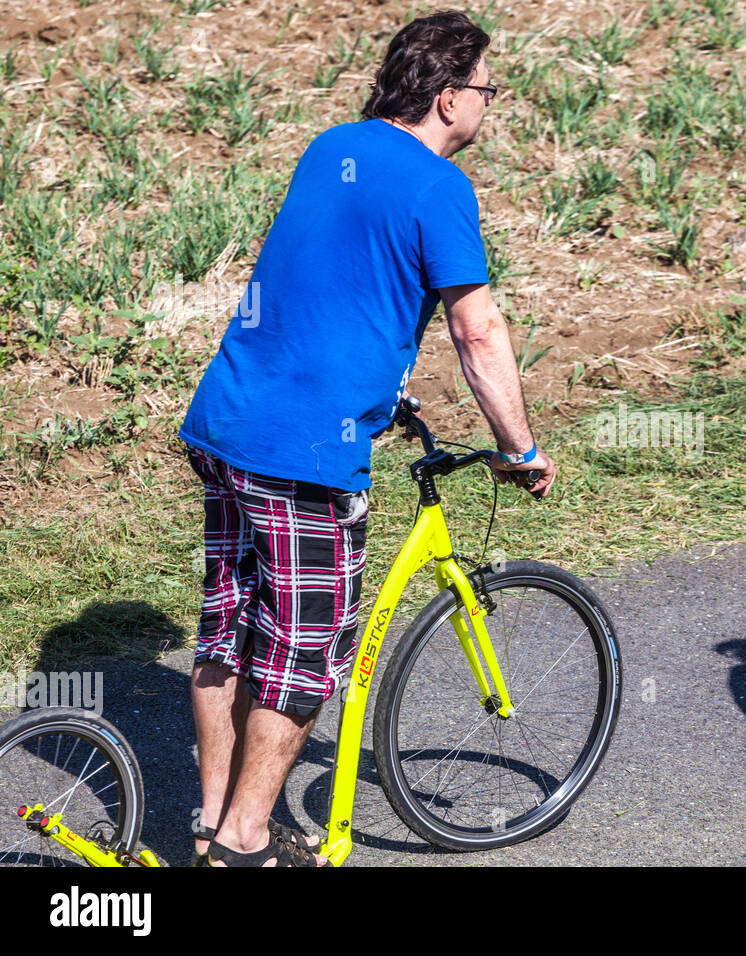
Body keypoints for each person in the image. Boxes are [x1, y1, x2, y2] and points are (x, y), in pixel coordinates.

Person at [178, 10, 554, 866]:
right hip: (303, 453)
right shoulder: (439, 187)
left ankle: (207, 820)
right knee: (305, 651)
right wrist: (520, 447)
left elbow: (332, 280)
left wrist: (382, 385)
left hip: (227, 419)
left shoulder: (330, 145)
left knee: (227, 628)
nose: (489, 109)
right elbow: (479, 331)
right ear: (451, 98)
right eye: (488, 91)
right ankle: (244, 842)